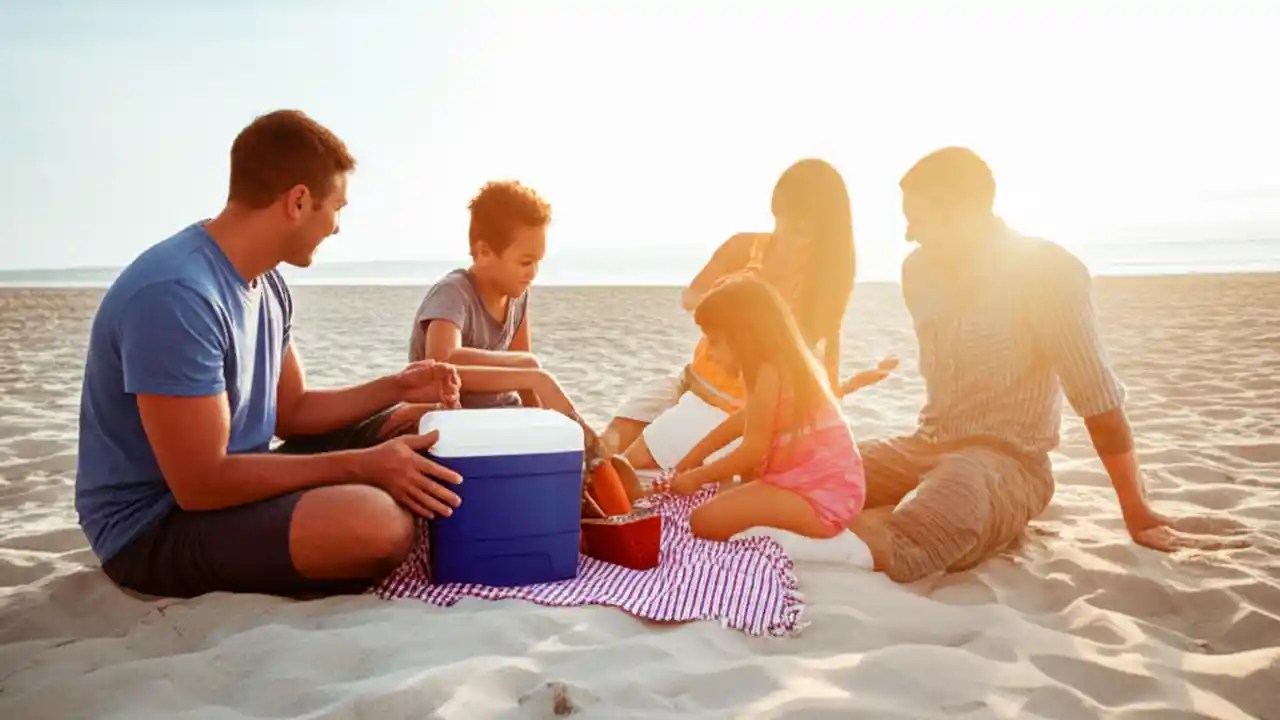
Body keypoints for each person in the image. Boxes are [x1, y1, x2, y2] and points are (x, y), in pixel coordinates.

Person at [75, 109, 466, 599]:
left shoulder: (268, 282)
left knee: (417, 425)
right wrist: (362, 465)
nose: (337, 227)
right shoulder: (176, 294)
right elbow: (201, 484)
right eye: (337, 208)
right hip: (156, 526)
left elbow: (292, 410)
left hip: (237, 483)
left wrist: (397, 387)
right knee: (376, 524)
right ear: (298, 201)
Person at [849, 146, 1250, 583]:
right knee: (818, 472)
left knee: (932, 522)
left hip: (1009, 462)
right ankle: (861, 520)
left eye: (918, 219)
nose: (909, 233)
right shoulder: (918, 272)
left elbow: (1097, 398)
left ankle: (871, 529)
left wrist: (1137, 512)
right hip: (923, 445)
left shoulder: (1046, 271)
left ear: (964, 213)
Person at [604, 159, 883, 474]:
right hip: (693, 377)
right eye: (781, 222)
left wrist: (841, 394)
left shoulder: (822, 286)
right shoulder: (744, 248)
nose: (785, 238)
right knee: (608, 444)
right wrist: (732, 300)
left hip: (732, 408)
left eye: (800, 232)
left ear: (825, 233)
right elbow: (690, 298)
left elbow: (817, 359)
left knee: (629, 468)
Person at [658, 278, 866, 542]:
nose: (708, 353)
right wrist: (690, 460)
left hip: (820, 498)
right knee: (726, 490)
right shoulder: (776, 366)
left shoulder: (769, 371)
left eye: (714, 341)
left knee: (704, 521)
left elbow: (753, 451)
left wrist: (696, 477)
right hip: (815, 484)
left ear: (744, 336)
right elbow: (743, 421)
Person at [409, 180, 551, 409]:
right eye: (526, 262)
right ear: (484, 252)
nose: (533, 273)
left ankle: (584, 431)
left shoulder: (517, 297)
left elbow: (526, 383)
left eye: (538, 262)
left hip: (505, 414)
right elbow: (440, 362)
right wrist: (526, 368)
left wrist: (542, 418)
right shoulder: (453, 293)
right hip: (453, 419)